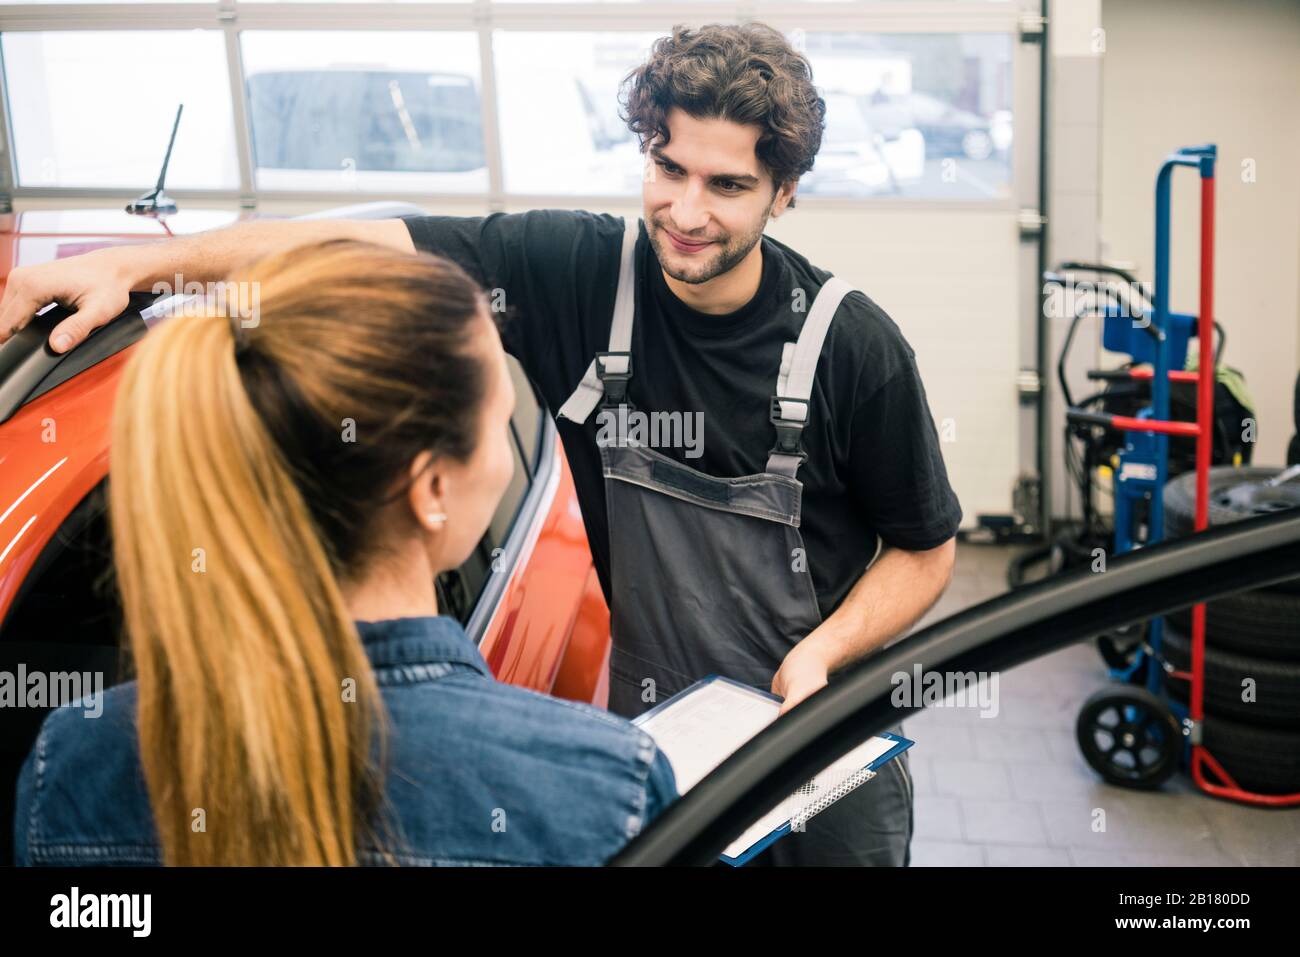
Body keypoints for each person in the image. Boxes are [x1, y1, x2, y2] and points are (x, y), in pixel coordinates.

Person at [1, 22, 959, 866]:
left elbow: (926, 548)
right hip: (664, 726)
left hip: (825, 733)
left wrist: (822, 657)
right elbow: (343, 247)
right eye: (669, 170)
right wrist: (136, 261)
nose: (688, 212)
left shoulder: (851, 348)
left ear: (785, 193)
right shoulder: (575, 271)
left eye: (729, 185)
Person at [11, 240, 676, 866]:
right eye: (500, 418)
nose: (514, 453)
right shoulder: (605, 789)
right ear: (433, 489)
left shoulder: (68, 767)